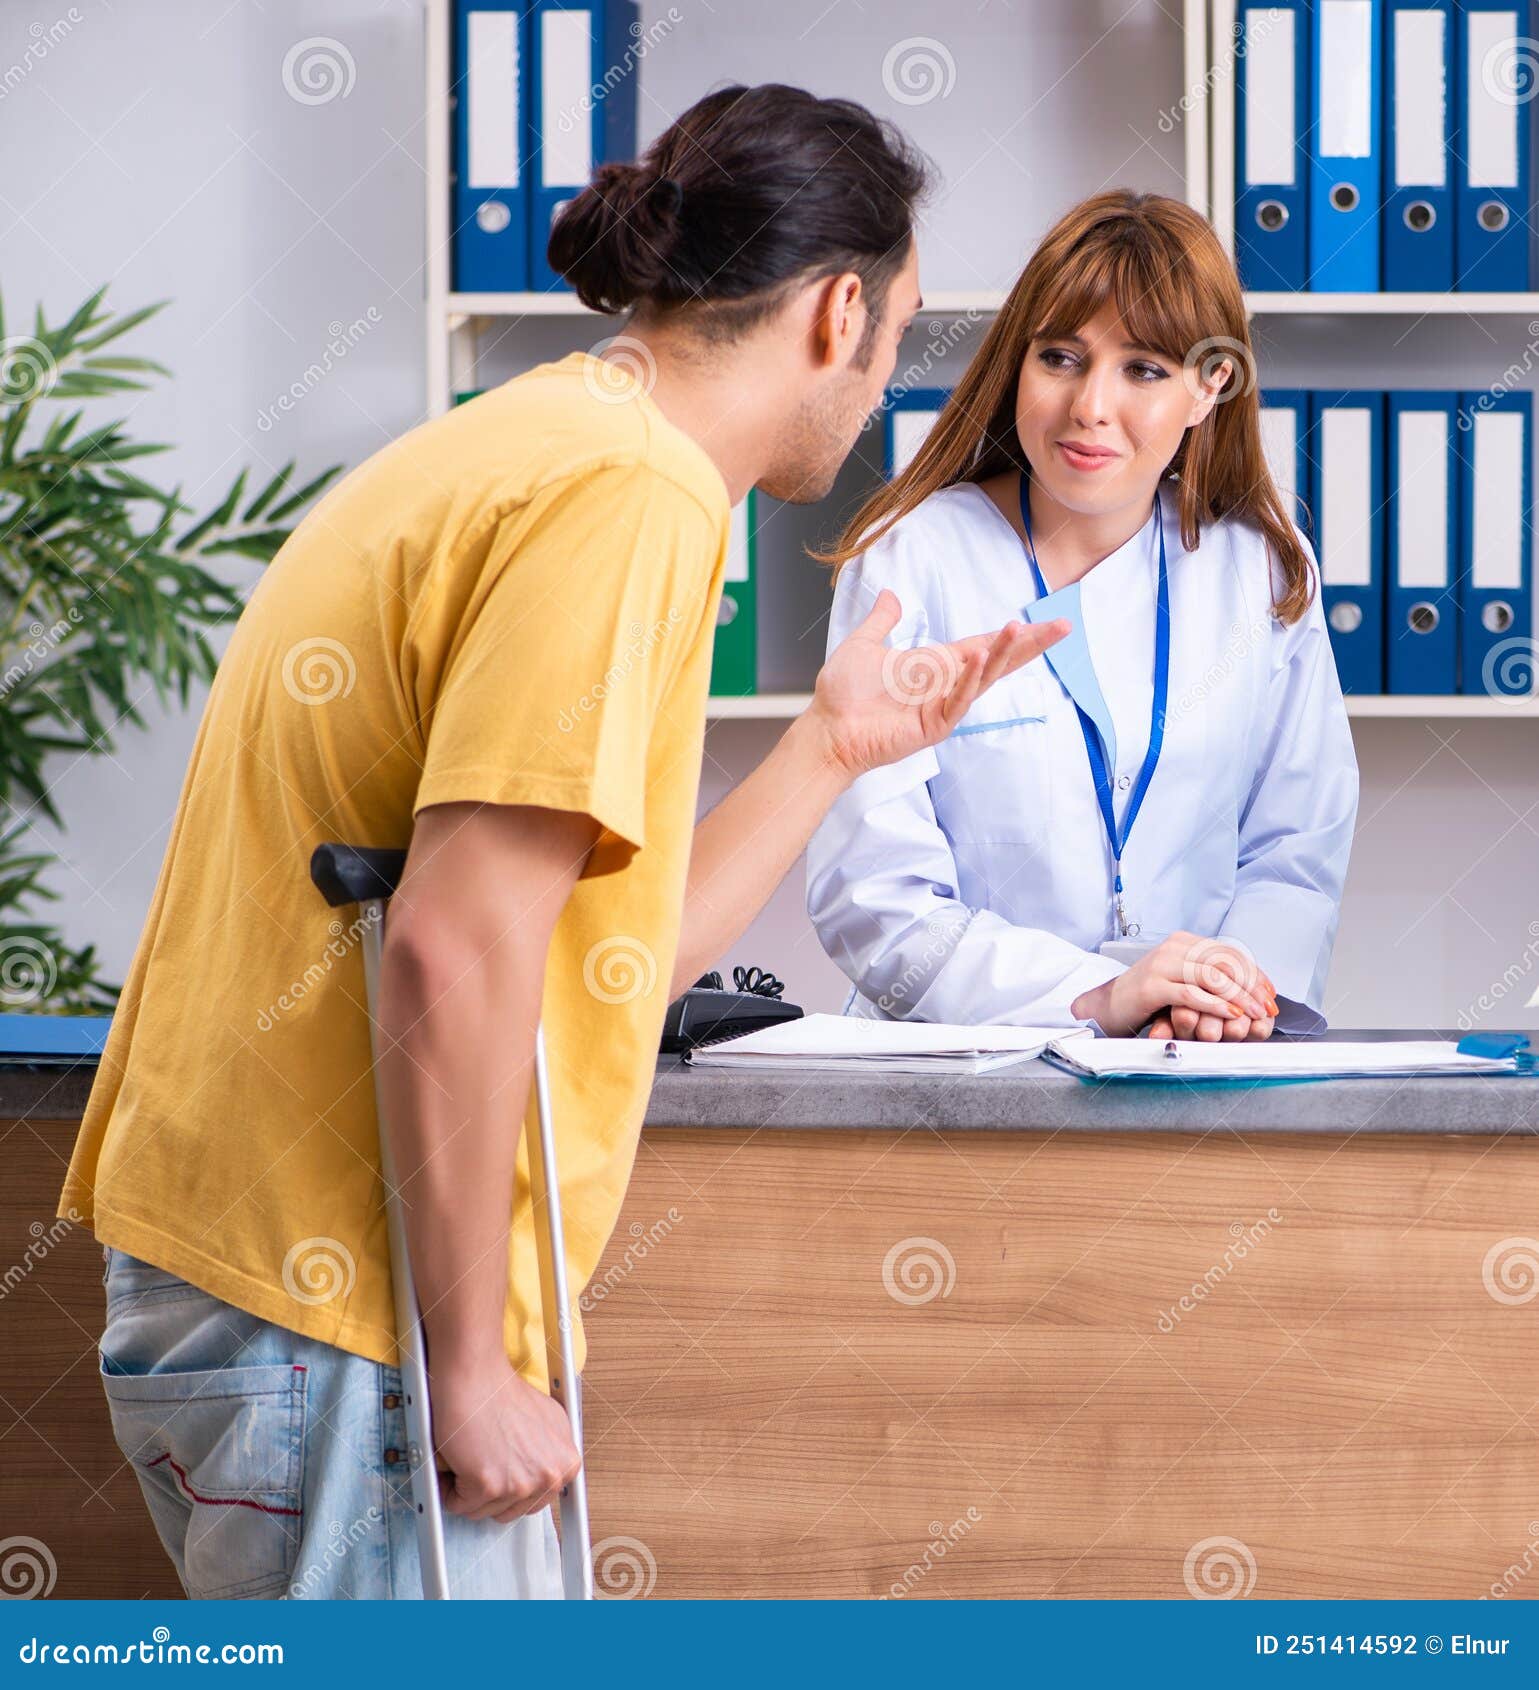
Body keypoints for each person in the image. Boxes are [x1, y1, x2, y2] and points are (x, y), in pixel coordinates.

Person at [58, 84, 1067, 1600]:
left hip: (261, 1291)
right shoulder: (631, 495)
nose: (879, 394)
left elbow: (605, 954)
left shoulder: (537, 437)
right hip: (348, 1321)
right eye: (896, 336)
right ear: (836, 308)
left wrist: (827, 751)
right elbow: (450, 946)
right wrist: (465, 1364)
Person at [806, 189, 1359, 1044]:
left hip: (1203, 1059)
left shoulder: (1260, 566)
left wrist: (1222, 995)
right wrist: (1102, 996)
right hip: (964, 1065)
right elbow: (873, 891)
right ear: (1016, 362)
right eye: (1060, 358)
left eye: (1143, 369)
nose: (1089, 407)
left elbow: (1295, 846)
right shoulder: (911, 558)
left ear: (1210, 384)